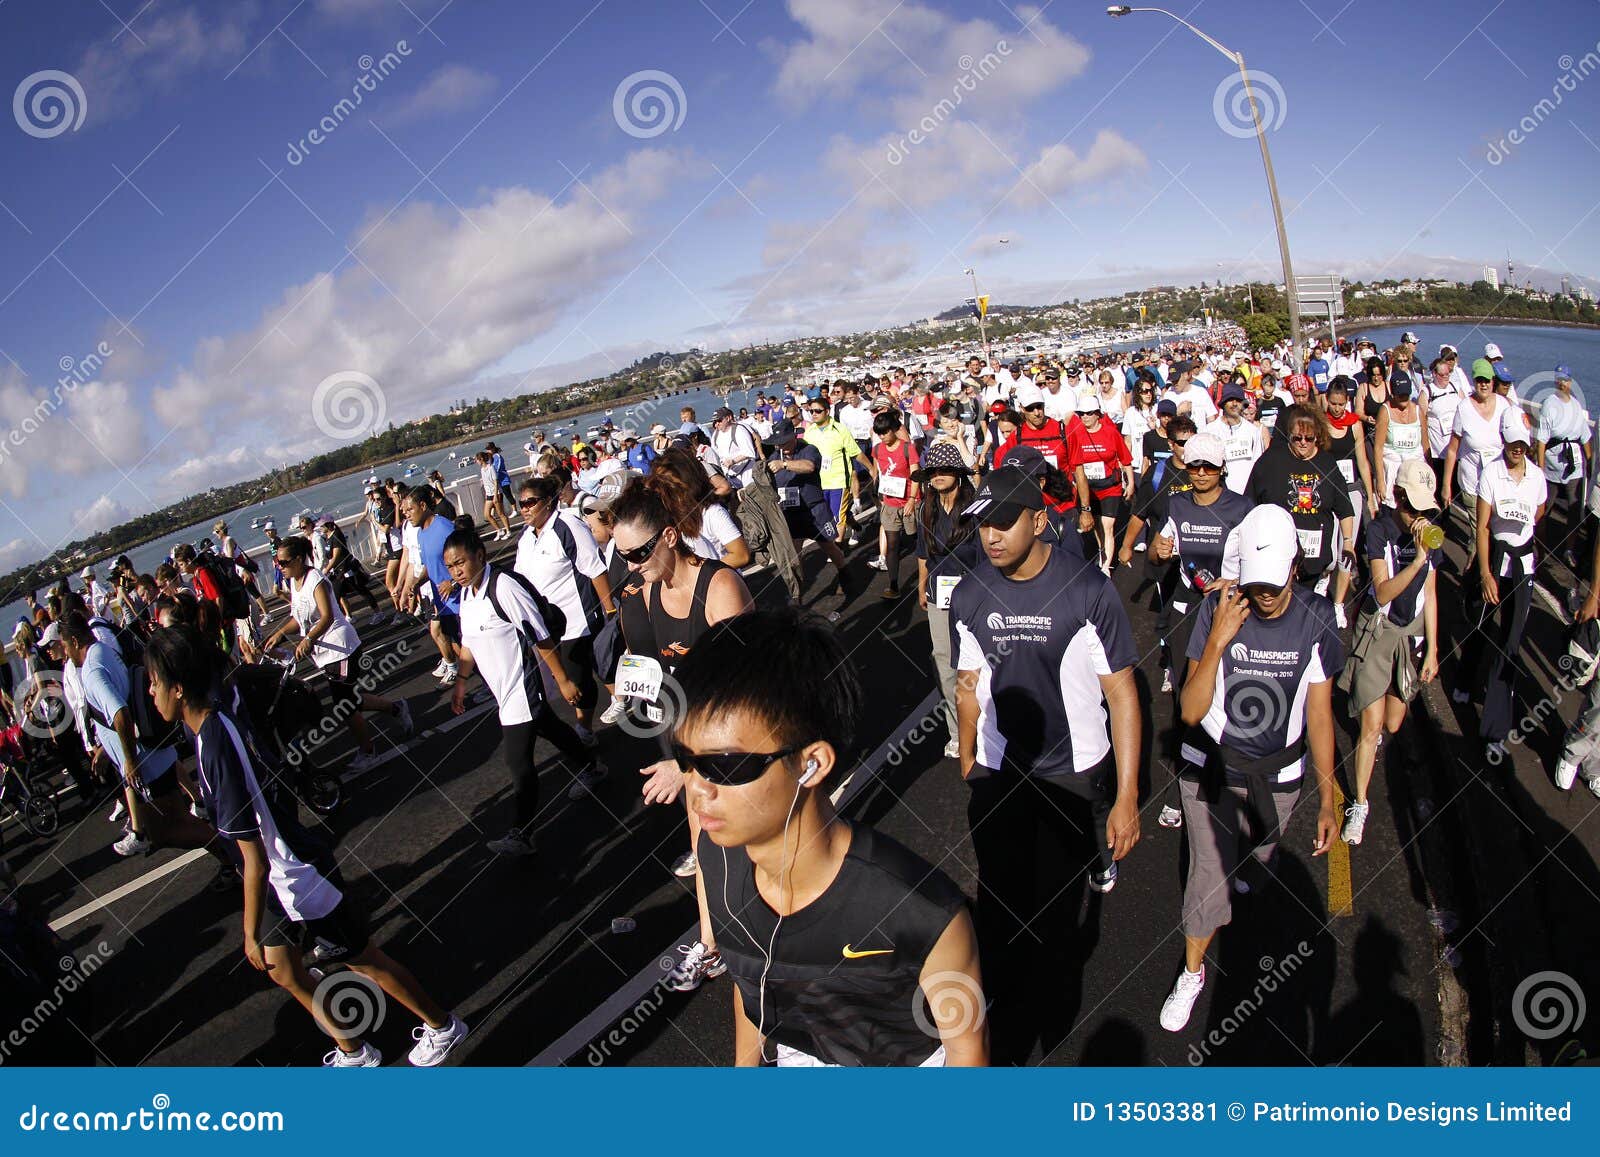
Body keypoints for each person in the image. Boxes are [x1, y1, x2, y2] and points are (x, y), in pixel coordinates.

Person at [142, 625, 467, 1067]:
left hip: (295, 875)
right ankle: (354, 1050)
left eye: (154, 682)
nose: (149, 690)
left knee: (362, 960)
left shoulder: (215, 743)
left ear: (178, 689)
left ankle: (442, 1026)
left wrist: (249, 933)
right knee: (287, 970)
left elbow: (252, 858)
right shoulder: (209, 728)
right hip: (281, 877)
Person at [676, 609, 987, 1066]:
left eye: (726, 765)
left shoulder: (923, 911)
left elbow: (966, 1051)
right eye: (684, 758)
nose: (698, 787)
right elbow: (750, 986)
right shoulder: (719, 863)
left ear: (812, 764)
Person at [951, 465, 1142, 1059]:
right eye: (982, 524)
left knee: (1057, 913)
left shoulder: (1087, 589)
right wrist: (966, 754)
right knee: (1002, 902)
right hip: (998, 771)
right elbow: (967, 679)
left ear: (1039, 520)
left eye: (1003, 522)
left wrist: (1129, 796)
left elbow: (1123, 695)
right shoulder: (970, 591)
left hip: (1071, 776)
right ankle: (1005, 1036)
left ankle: (1054, 1027)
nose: (991, 536)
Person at [1160, 505, 1343, 1033]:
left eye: (1273, 583)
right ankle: (1192, 972)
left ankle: (1245, 874)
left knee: (1257, 862)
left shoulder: (1318, 618)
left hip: (1278, 775)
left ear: (1294, 567)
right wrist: (1217, 639)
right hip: (1210, 770)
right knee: (1207, 880)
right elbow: (1190, 710)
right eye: (1253, 582)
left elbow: (1319, 714)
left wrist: (1330, 798)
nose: (1262, 595)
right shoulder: (1218, 609)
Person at [611, 477, 755, 992]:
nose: (631, 565)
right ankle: (713, 943)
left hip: (747, 741)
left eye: (639, 553)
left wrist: (686, 763)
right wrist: (629, 698)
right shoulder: (641, 596)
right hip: (693, 743)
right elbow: (654, 677)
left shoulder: (719, 587)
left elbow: (744, 692)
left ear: (670, 537)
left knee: (761, 846)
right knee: (705, 843)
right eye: (623, 554)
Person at [444, 528, 606, 854]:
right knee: (553, 729)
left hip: (523, 686)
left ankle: (522, 832)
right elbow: (469, 644)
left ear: (480, 555)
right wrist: (461, 682)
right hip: (503, 693)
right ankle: (593, 766)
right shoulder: (466, 594)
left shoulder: (503, 587)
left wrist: (562, 679)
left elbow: (540, 635)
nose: (456, 571)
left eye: (461, 562)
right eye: (450, 566)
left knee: (517, 760)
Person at [1336, 460, 1443, 846]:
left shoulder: (1430, 538)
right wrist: (1415, 560)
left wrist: (1432, 647)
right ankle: (1360, 804)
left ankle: (1377, 730)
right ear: (1397, 498)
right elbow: (1382, 592)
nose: (1419, 518)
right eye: (1413, 508)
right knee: (1372, 727)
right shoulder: (1379, 530)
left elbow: (1430, 594)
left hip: (1408, 636)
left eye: (1425, 510)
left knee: (1394, 723)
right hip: (1379, 633)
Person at [260, 535, 413, 774]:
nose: (280, 567)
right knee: (351, 699)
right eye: (277, 562)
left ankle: (368, 751)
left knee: (345, 706)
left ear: (299, 559)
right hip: (326, 654)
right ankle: (396, 708)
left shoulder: (315, 580)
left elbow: (327, 616)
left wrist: (309, 639)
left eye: (284, 562)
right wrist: (278, 634)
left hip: (342, 648)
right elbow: (296, 618)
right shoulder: (294, 581)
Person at [513, 475, 615, 746]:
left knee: (580, 676)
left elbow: (595, 569)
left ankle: (585, 728)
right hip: (549, 624)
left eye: (530, 502)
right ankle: (623, 700)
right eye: (521, 504)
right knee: (597, 668)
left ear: (548, 502)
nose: (524, 509)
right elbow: (521, 582)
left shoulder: (567, 526)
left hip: (579, 618)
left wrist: (611, 611)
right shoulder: (526, 539)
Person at [1469, 411, 1548, 758]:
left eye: (1522, 443)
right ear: (1504, 441)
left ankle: (1496, 726)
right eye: (1512, 442)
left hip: (1523, 566)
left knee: (1511, 642)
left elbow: (1539, 512)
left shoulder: (1537, 478)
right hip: (1495, 561)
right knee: (1481, 622)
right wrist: (1485, 572)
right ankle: (1465, 678)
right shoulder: (1492, 473)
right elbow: (1483, 526)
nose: (1516, 448)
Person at [1245, 404, 1356, 610]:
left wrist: (1348, 542)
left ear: (1317, 437)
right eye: (1297, 438)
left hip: (1313, 558)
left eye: (1309, 438)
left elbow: (1344, 508)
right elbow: (1250, 505)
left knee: (1305, 612)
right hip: (1277, 555)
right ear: (1289, 436)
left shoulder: (1327, 464)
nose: (1303, 443)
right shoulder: (1270, 461)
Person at [913, 442, 981, 759]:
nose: (938, 476)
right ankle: (957, 731)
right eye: (932, 472)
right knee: (945, 662)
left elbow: (986, 556)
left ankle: (987, 724)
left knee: (979, 662)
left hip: (975, 596)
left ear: (958, 473)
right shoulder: (926, 509)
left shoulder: (976, 509)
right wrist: (922, 584)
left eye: (944, 470)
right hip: (939, 596)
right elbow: (924, 553)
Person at [764, 419, 853, 598]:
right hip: (790, 511)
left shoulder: (808, 449)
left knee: (829, 546)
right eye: (779, 443)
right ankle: (797, 593)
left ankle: (844, 572)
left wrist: (785, 465)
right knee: (794, 555)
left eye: (786, 441)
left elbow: (810, 466)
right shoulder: (774, 457)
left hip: (814, 510)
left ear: (794, 437)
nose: (782, 446)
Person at [1443, 359, 1511, 565]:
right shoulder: (1464, 408)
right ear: (1473, 381)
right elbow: (1453, 449)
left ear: (1493, 381)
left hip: (1498, 483)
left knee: (1497, 534)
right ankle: (1474, 580)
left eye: (1487, 380)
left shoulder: (1504, 406)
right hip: (1473, 483)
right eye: (1479, 380)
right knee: (1479, 533)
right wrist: (1446, 485)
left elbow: (1512, 442)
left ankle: (1492, 577)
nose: (1484, 384)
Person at [397, 485, 462, 687]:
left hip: (461, 601)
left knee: (472, 646)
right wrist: (416, 583)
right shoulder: (421, 533)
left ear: (423, 506)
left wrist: (452, 583)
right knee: (459, 646)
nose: (406, 514)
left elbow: (468, 559)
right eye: (403, 511)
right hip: (443, 604)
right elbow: (429, 565)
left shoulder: (444, 528)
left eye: (409, 510)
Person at [1067, 394, 1133, 575]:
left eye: (1088, 413)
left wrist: (1131, 483)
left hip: (1110, 486)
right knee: (1097, 525)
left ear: (1097, 414)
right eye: (1081, 414)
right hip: (1089, 489)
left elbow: (1125, 459)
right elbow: (1072, 463)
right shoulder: (1076, 435)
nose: (1085, 417)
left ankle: (1106, 566)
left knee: (1107, 526)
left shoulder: (1111, 433)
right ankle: (1102, 550)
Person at [1534, 365, 1589, 565]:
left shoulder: (1576, 405)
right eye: (1558, 380)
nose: (1562, 383)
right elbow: (1541, 440)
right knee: (1545, 508)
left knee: (1574, 511)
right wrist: (1539, 469)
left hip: (1574, 467)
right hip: (1552, 467)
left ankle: (1569, 549)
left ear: (1570, 382)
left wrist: (1589, 463)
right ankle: (1539, 547)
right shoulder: (1549, 403)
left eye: (1565, 380)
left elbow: (1585, 438)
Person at [802, 398, 875, 549]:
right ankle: (855, 525)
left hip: (839, 481)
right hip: (819, 482)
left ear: (827, 411)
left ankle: (838, 550)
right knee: (831, 514)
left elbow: (856, 453)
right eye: (811, 411)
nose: (814, 414)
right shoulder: (809, 433)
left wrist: (871, 468)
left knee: (837, 518)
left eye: (818, 411)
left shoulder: (840, 429)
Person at [869, 409, 920, 599]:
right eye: (879, 433)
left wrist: (912, 500)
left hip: (909, 501)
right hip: (890, 503)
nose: (882, 437)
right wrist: (878, 492)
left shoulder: (908, 448)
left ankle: (928, 572)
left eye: (885, 432)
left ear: (893, 429)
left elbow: (915, 475)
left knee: (916, 539)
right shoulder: (877, 449)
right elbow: (877, 473)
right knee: (892, 544)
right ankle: (893, 584)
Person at [1203, 380, 1269, 495]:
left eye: (1238, 400)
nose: (1234, 404)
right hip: (1219, 496)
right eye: (1230, 400)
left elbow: (1258, 465)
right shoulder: (1209, 431)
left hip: (1248, 495)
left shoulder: (1253, 431)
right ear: (1223, 403)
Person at [1373, 368, 1427, 509]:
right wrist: (1380, 480)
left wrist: (1429, 473)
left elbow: (1426, 445)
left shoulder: (1418, 411)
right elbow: (1378, 448)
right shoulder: (1385, 411)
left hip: (1415, 471)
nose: (1403, 398)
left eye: (1406, 394)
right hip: (1393, 470)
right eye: (1399, 395)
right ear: (1393, 393)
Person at [477, 452, 513, 542]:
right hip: (489, 494)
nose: (476, 462)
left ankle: (508, 531)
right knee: (487, 514)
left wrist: (496, 495)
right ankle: (499, 530)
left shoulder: (491, 467)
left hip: (496, 493)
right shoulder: (482, 469)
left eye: (477, 460)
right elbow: (485, 482)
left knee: (501, 513)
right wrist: (486, 494)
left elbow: (495, 481)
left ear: (481, 459)